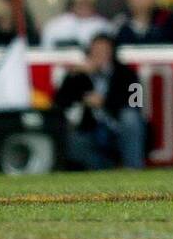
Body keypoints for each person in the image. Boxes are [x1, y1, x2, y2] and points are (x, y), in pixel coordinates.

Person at [54, 33, 147, 170]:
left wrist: (105, 101)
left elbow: (136, 102)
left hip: (118, 127)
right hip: (91, 129)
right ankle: (102, 171)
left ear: (112, 52)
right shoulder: (78, 74)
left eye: (104, 51)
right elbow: (59, 101)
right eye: (96, 51)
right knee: (73, 139)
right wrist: (74, 76)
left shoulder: (127, 73)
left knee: (131, 117)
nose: (100, 55)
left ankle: (133, 168)